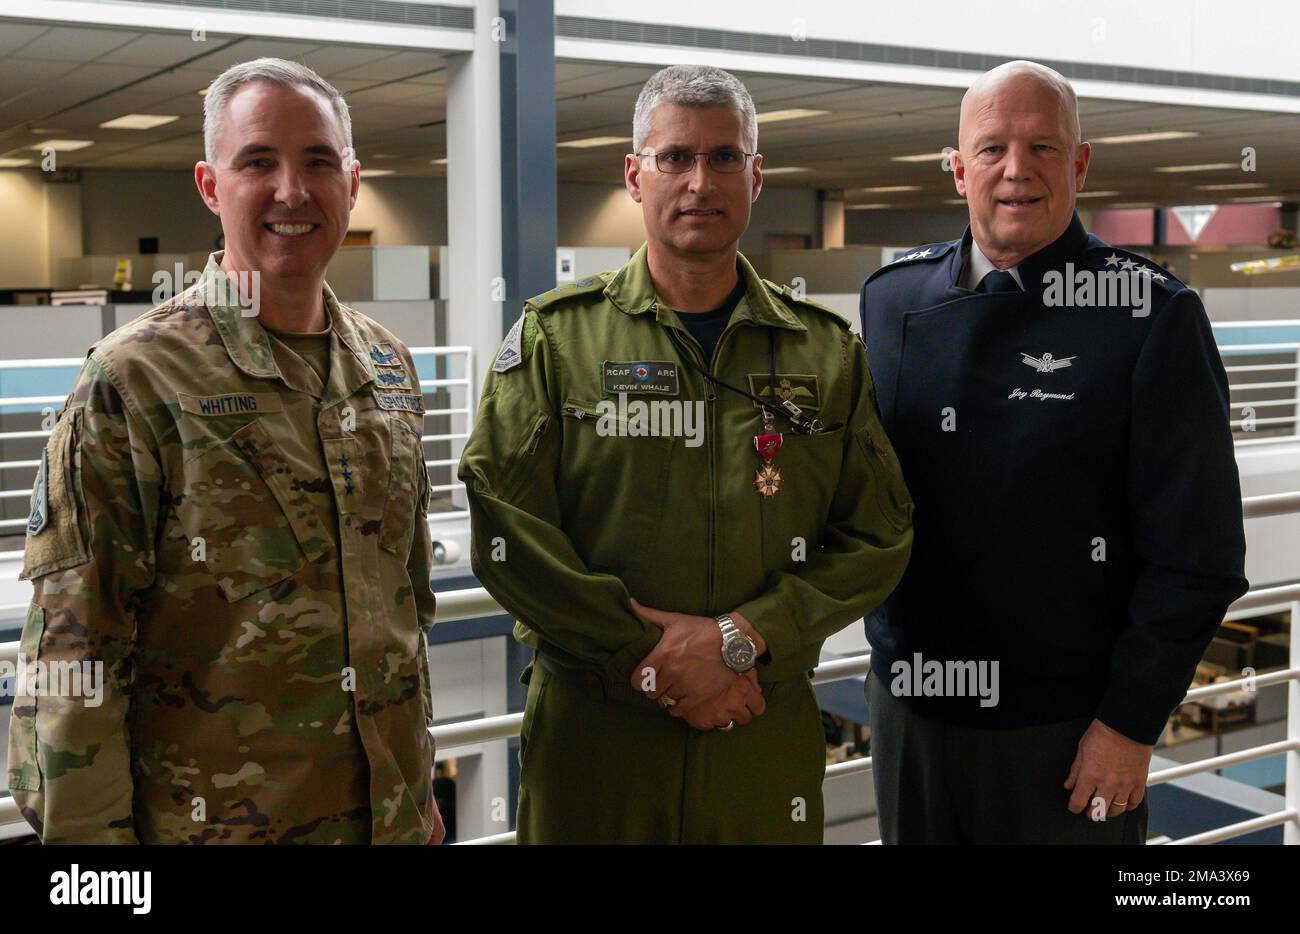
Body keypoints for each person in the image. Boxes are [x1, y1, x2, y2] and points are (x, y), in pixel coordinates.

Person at [459, 64, 913, 844]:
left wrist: (744, 638)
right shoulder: (555, 341)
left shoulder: (826, 353)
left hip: (758, 732)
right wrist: (651, 662)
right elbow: (507, 535)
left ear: (756, 175)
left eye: (724, 157)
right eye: (675, 157)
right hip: (595, 745)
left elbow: (881, 537)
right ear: (635, 176)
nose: (700, 180)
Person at [9, 58, 443, 844]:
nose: (291, 191)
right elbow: (73, 661)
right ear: (212, 187)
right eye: (258, 163)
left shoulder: (387, 367)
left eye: (318, 162)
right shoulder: (134, 379)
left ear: (351, 179)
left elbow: (410, 607)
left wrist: (419, 797)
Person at [859, 60, 1248, 844]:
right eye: (992, 147)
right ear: (957, 167)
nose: (1016, 171)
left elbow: (1198, 558)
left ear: (1079, 163)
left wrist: (1131, 725)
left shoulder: (1150, 315)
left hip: (1070, 737)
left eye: (1043, 147)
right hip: (913, 718)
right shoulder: (892, 297)